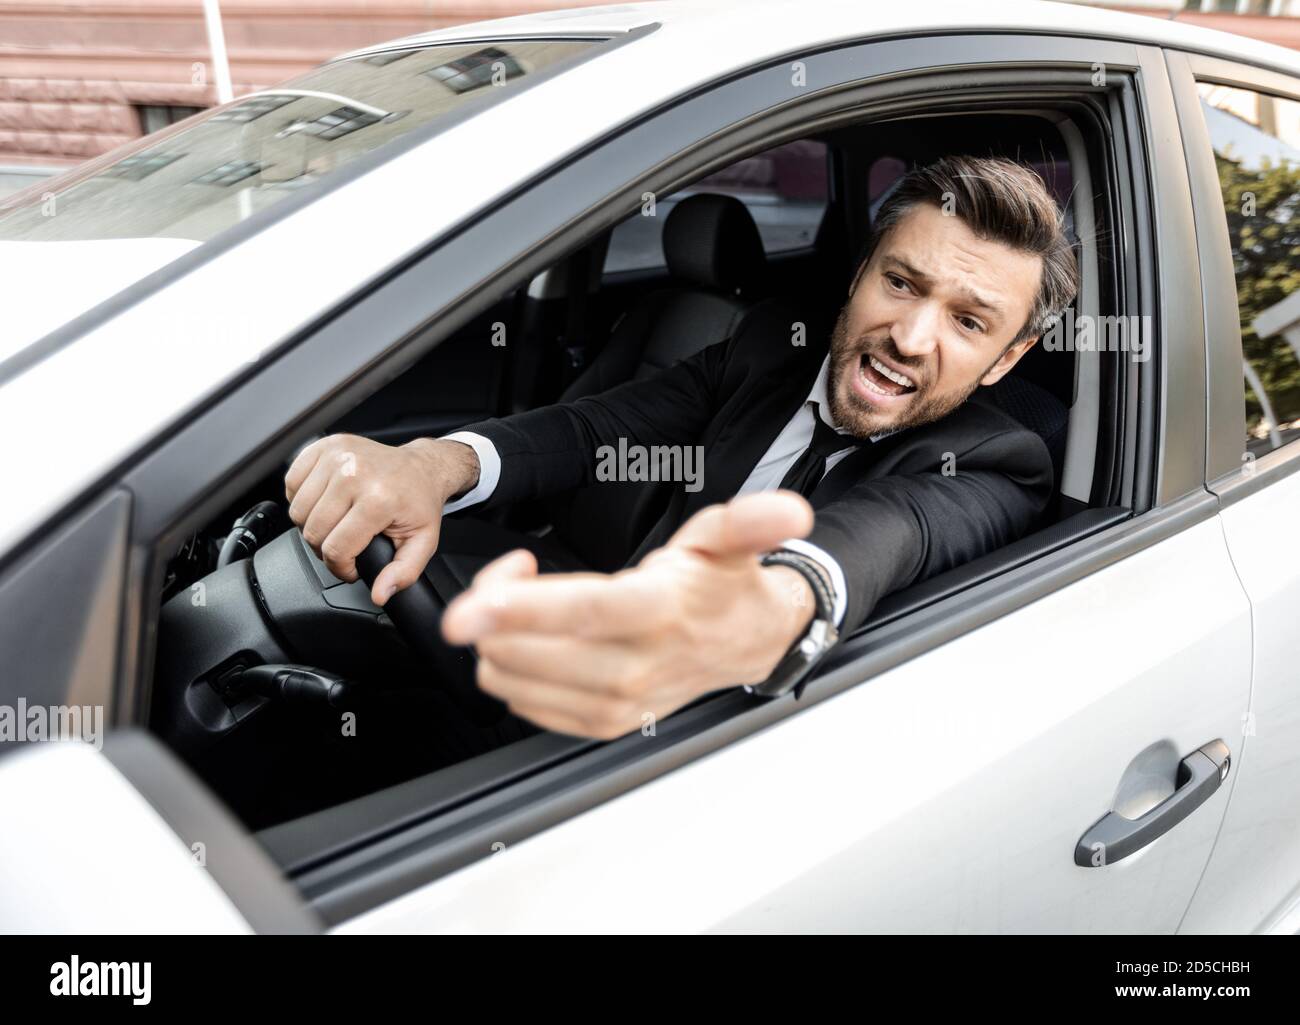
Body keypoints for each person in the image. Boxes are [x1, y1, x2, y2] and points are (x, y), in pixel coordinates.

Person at [285, 155, 1078, 740]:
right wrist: (433, 463)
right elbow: (597, 430)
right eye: (901, 283)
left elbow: (877, 541)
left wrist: (750, 618)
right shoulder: (768, 347)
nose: (909, 337)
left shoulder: (997, 462)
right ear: (859, 272)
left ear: (1007, 358)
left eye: (969, 322)